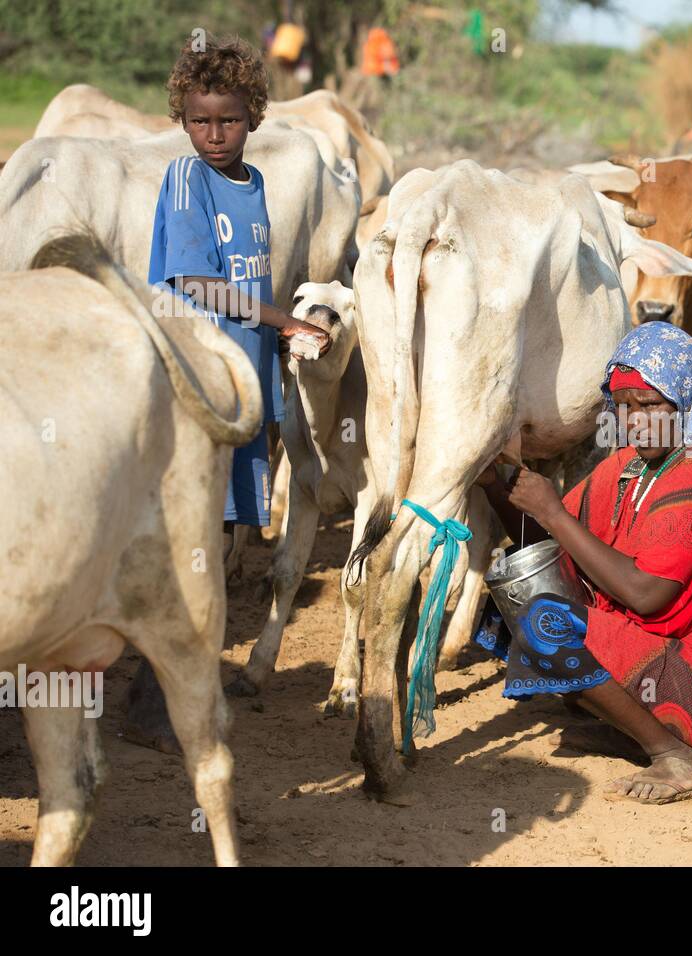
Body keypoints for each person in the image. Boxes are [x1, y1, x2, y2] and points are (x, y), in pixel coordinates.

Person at [474, 323, 692, 802]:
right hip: (664, 656)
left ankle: (679, 755)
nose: (635, 421)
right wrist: (497, 485)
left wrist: (552, 509)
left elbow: (646, 595)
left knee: (546, 623)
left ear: (686, 398)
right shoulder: (631, 466)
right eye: (624, 406)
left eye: (651, 405)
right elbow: (549, 546)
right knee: (529, 595)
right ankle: (632, 728)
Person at [125, 35, 332, 753]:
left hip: (241, 385)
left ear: (255, 117)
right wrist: (279, 316)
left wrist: (275, 340)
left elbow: (239, 286)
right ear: (182, 119)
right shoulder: (186, 178)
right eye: (200, 119)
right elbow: (195, 283)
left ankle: (169, 690)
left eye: (229, 119)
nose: (214, 134)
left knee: (212, 544)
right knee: (189, 541)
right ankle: (153, 702)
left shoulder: (256, 187)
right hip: (194, 387)